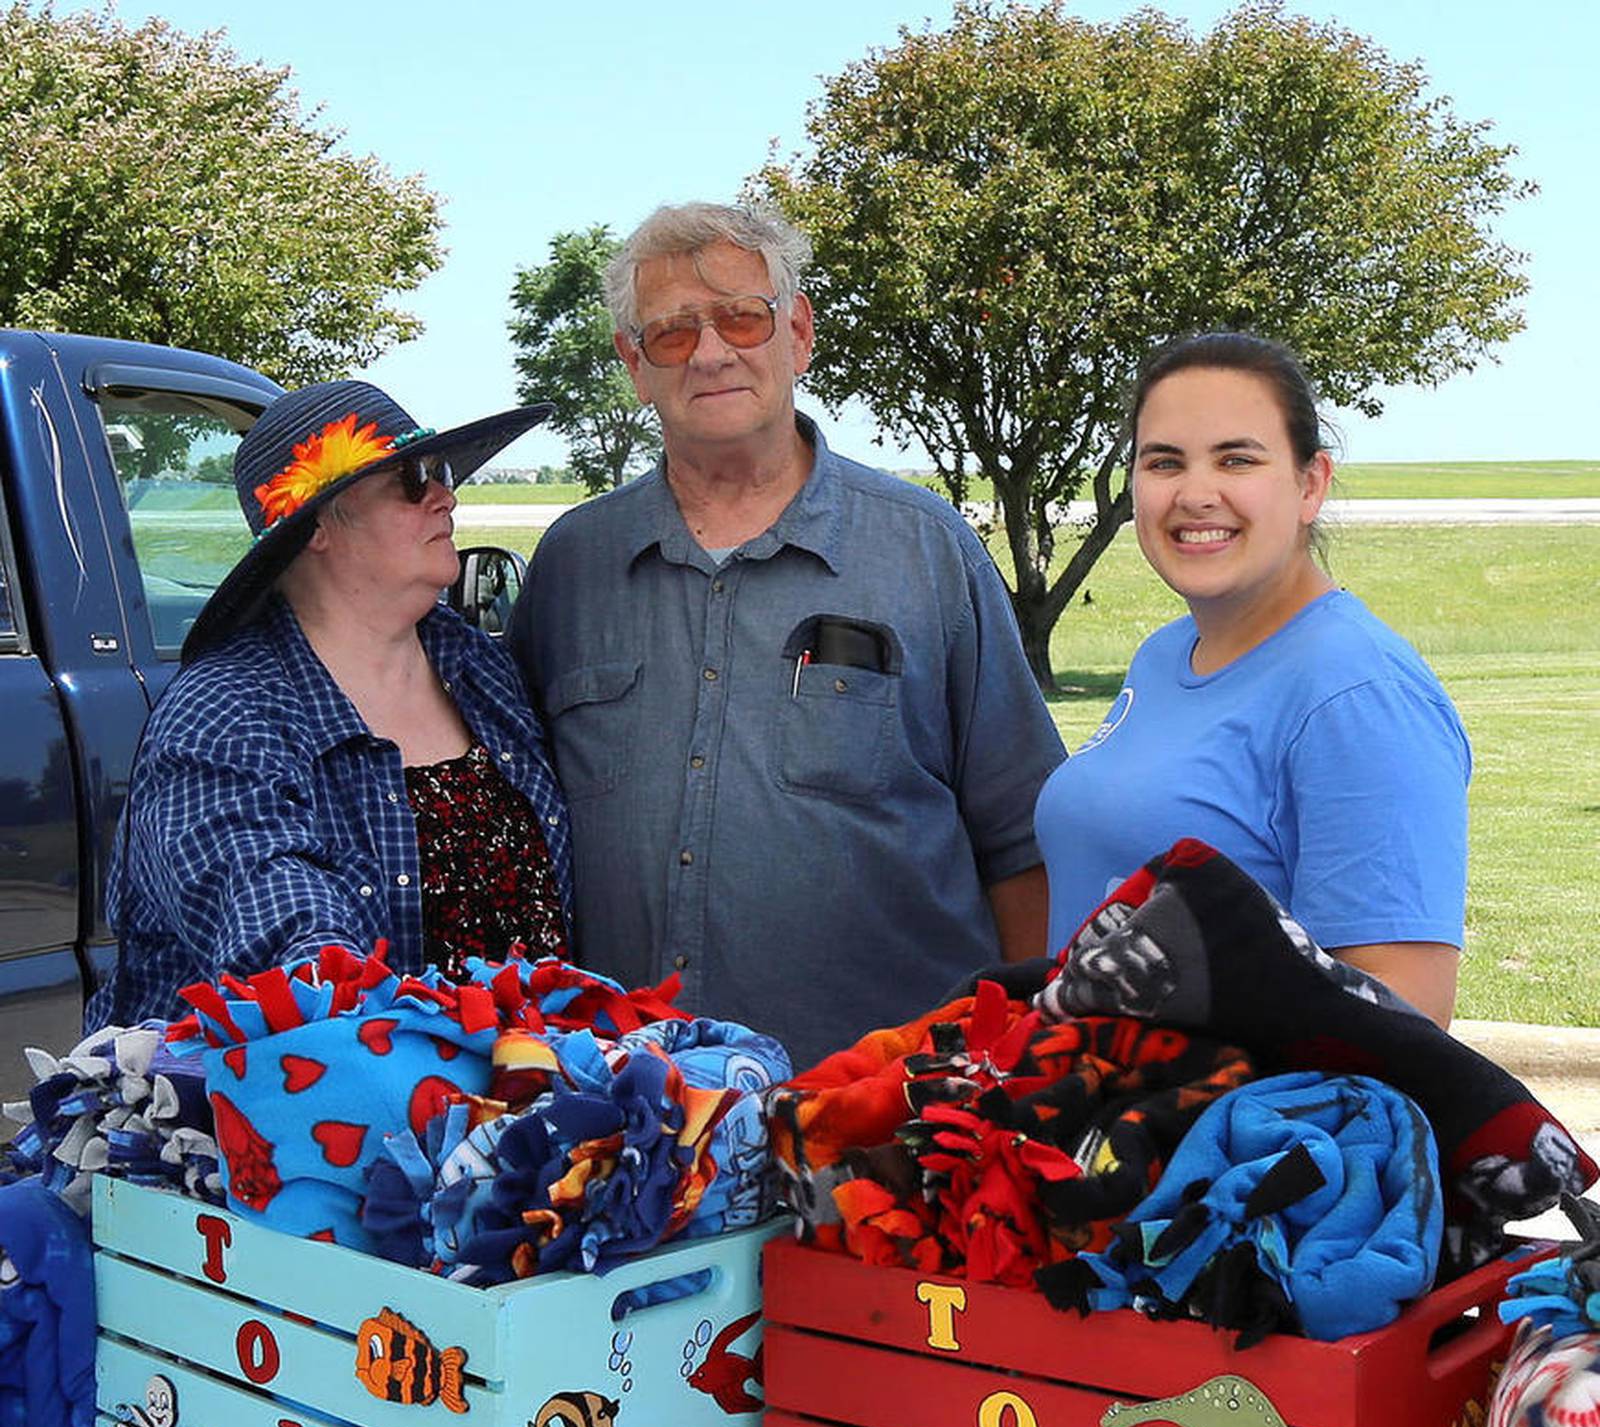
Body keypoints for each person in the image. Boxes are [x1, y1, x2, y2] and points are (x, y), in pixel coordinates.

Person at [508, 202, 1065, 1070]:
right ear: (634, 364)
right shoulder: (573, 566)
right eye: (672, 333)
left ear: (798, 333)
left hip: (882, 1104)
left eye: (742, 318)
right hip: (630, 1102)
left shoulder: (925, 550)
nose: (710, 353)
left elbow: (1023, 844)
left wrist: (1010, 1063)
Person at [90, 380, 573, 1026]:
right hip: (328, 1085)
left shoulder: (477, 667)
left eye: (441, 473)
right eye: (412, 480)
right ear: (317, 525)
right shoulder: (222, 716)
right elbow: (285, 944)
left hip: (523, 1079)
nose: (445, 496)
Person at [1033, 332, 1471, 1025]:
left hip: (1211, 1098)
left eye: (1236, 459)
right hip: (1080, 1080)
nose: (1195, 493)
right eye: (1164, 462)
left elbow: (1403, 1014)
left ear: (1310, 483)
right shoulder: (1165, 655)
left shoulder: (1357, 696)